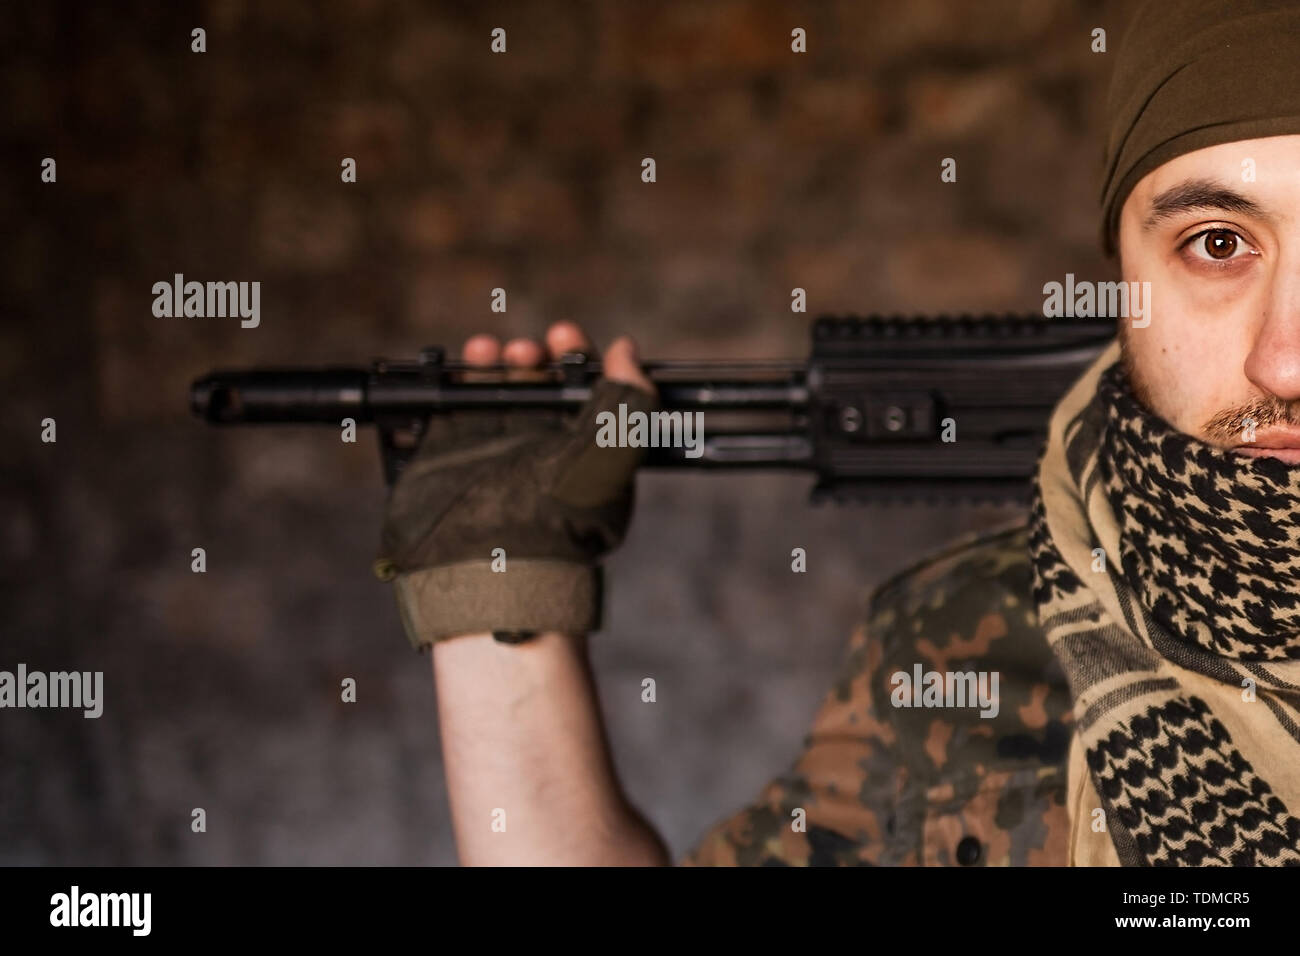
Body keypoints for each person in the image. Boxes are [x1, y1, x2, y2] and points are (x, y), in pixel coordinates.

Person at [374, 0, 1300, 865]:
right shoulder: (957, 646)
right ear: (1124, 279)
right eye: (1217, 243)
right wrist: (498, 588)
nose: (1285, 360)